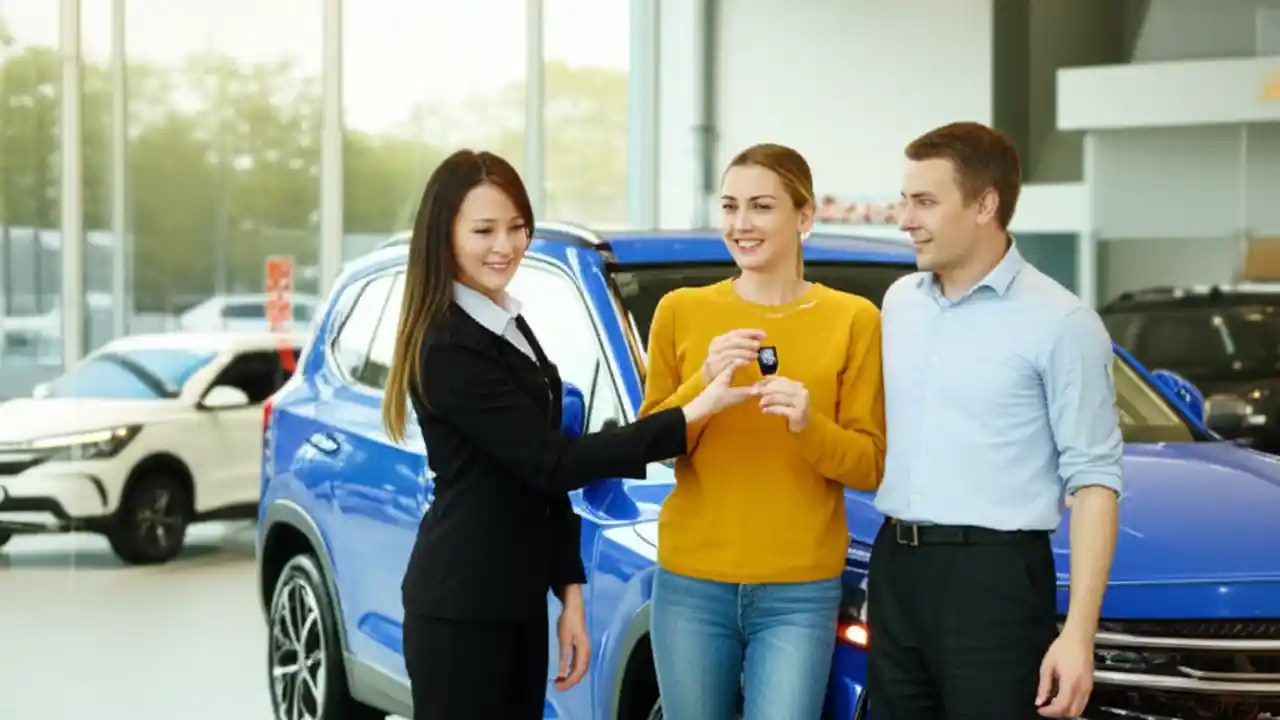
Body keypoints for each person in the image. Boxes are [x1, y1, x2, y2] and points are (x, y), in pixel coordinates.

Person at [381, 149, 754, 720]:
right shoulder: (450, 345)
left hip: (513, 600)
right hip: (463, 609)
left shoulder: (503, 321)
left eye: (516, 227)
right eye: (483, 230)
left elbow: (539, 486)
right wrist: (690, 417)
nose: (504, 246)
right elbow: (551, 462)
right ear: (444, 235)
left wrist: (570, 595)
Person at [868, 121, 1123, 719]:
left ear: (986, 204)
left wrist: (1078, 634)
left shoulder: (1061, 321)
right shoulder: (899, 302)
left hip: (995, 581)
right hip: (897, 568)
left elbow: (1094, 481)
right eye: (905, 200)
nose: (905, 218)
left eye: (925, 202)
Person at [639, 143, 887, 719]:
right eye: (729, 207)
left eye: (760, 207)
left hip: (799, 593)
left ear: (804, 217)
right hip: (691, 584)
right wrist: (703, 387)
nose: (740, 224)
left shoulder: (854, 320)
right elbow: (651, 443)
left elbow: (869, 463)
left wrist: (807, 425)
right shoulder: (681, 311)